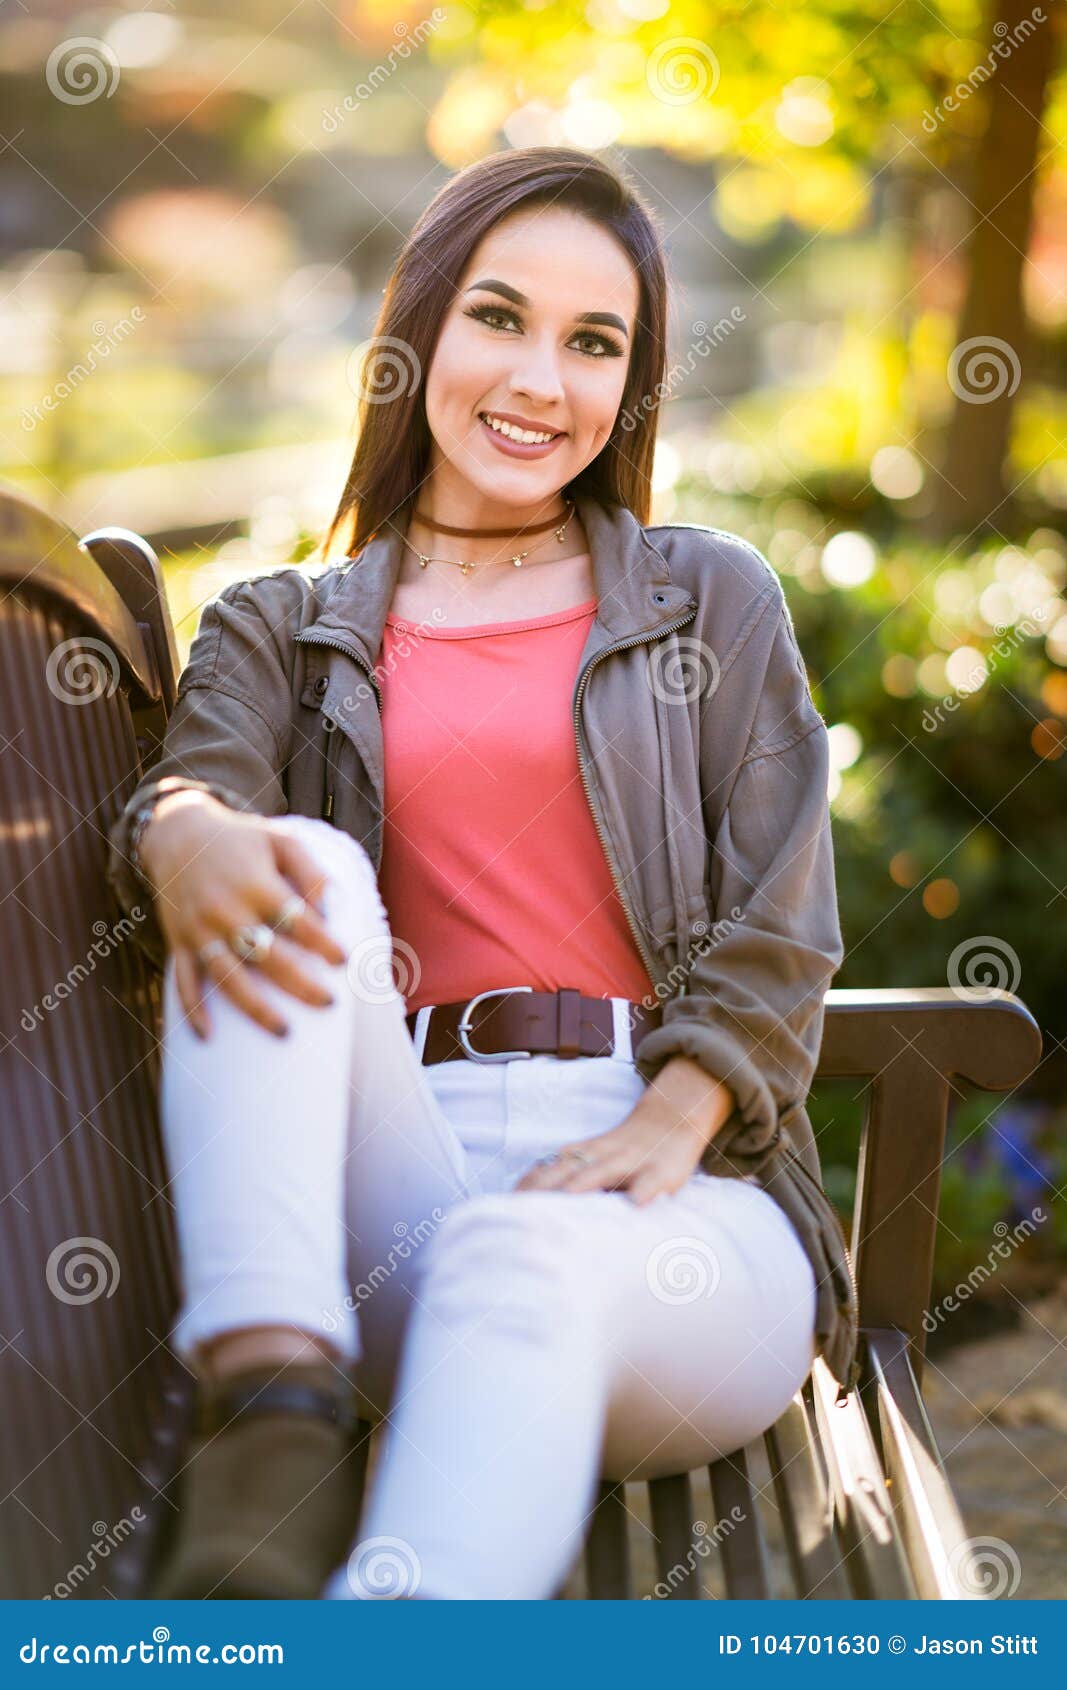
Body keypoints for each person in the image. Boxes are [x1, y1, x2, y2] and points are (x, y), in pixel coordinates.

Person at [106, 145, 858, 1602]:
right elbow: (199, 789)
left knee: (528, 1258)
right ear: (419, 333)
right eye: (499, 317)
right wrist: (180, 828)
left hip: (679, 1208)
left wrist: (686, 1106)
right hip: (395, 1196)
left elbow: (786, 918)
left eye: (595, 343)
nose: (539, 379)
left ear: (632, 383)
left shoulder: (709, 598)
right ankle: (271, 1403)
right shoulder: (281, 625)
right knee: (296, 861)